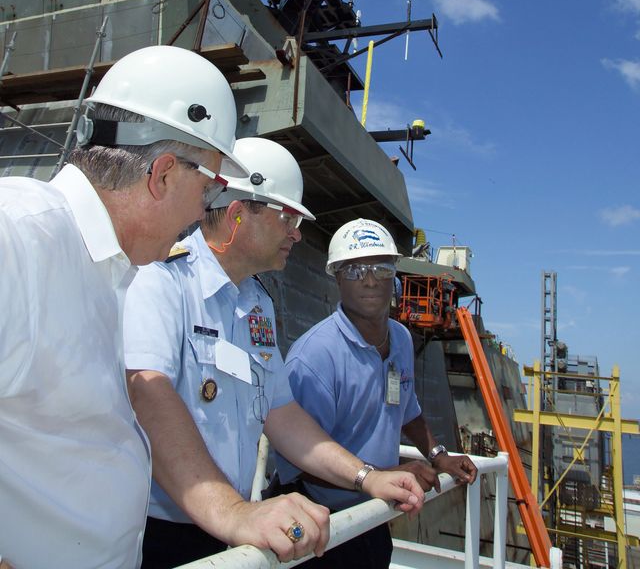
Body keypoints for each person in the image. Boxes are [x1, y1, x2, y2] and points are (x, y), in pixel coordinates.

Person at [123, 138, 426, 568]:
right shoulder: (163, 280)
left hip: (223, 529)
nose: (297, 233)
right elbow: (147, 394)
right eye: (286, 217)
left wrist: (366, 477)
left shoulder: (256, 304)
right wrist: (235, 513)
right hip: (152, 533)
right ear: (237, 214)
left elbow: (281, 415)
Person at [0, 45, 246, 569]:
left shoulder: (111, 269)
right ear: (161, 175)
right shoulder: (18, 238)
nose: (206, 212)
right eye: (210, 189)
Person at [277, 218, 478, 569]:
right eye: (354, 270)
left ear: (394, 275)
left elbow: (407, 408)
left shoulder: (400, 338)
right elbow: (298, 463)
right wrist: (388, 473)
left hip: (372, 517)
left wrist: (438, 454)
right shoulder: (314, 357)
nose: (369, 280)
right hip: (321, 524)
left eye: (380, 268)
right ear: (336, 276)